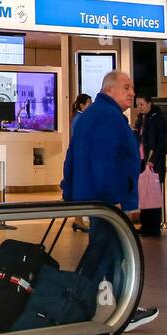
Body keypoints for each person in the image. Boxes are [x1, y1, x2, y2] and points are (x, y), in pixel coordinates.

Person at [61, 70, 158, 332]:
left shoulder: (93, 116)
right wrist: (111, 200)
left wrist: (68, 189)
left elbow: (73, 156)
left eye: (133, 88)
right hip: (105, 201)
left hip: (95, 198)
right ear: (109, 90)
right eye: (126, 87)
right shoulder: (107, 117)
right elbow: (102, 161)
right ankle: (115, 311)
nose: (132, 93)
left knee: (107, 252)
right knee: (111, 253)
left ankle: (98, 307)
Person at [134, 95, 167, 237]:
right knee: (145, 193)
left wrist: (152, 159)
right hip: (143, 161)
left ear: (149, 103)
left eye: (141, 104)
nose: (139, 107)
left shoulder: (157, 119)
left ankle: (153, 226)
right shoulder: (142, 119)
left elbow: (160, 143)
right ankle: (146, 224)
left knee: (153, 193)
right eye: (138, 104)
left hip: (152, 162)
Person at [70, 93, 94, 232]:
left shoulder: (79, 118)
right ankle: (81, 220)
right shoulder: (80, 120)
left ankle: (79, 220)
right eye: (89, 104)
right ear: (82, 105)